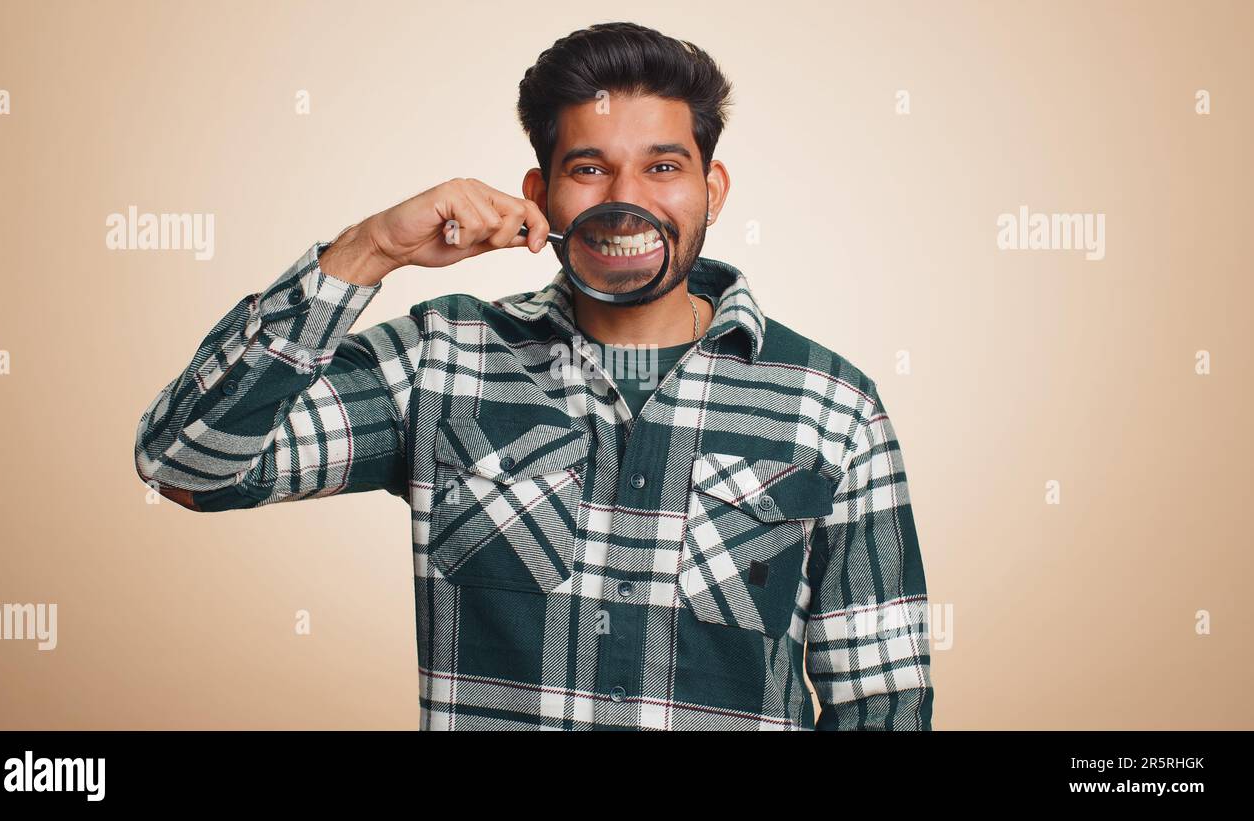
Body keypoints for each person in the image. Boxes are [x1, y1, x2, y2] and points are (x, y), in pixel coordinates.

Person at [134, 21, 934, 731]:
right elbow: (185, 463)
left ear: (710, 192)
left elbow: (883, 703)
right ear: (540, 194)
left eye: (663, 168)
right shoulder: (440, 359)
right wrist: (369, 249)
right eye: (589, 168)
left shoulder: (834, 406)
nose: (627, 201)